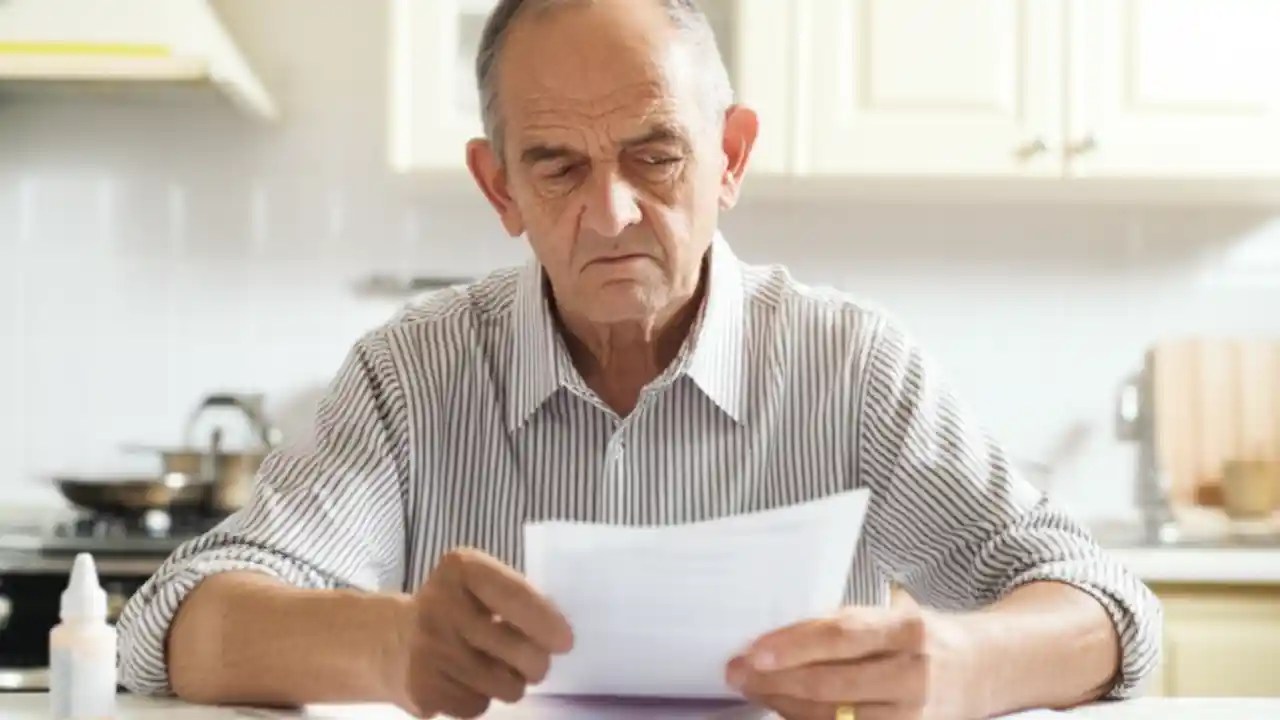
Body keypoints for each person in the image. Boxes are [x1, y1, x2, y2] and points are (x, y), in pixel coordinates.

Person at [117, 1, 1161, 718]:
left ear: (730, 157)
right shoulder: (413, 374)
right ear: (500, 192)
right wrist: (391, 646)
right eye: (557, 166)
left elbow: (1102, 604)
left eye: (654, 156)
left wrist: (959, 664)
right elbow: (172, 621)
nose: (610, 214)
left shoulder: (851, 366)